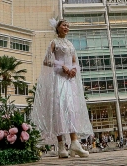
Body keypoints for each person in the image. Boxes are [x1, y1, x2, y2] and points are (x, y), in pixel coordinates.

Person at [32, 17, 93, 158]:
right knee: (58, 110)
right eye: (64, 25)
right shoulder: (54, 43)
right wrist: (62, 66)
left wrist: (74, 69)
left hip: (69, 80)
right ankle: (61, 145)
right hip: (58, 80)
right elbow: (46, 61)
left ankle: (74, 143)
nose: (66, 28)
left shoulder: (70, 44)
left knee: (71, 109)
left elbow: (74, 61)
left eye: (68, 26)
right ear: (58, 27)